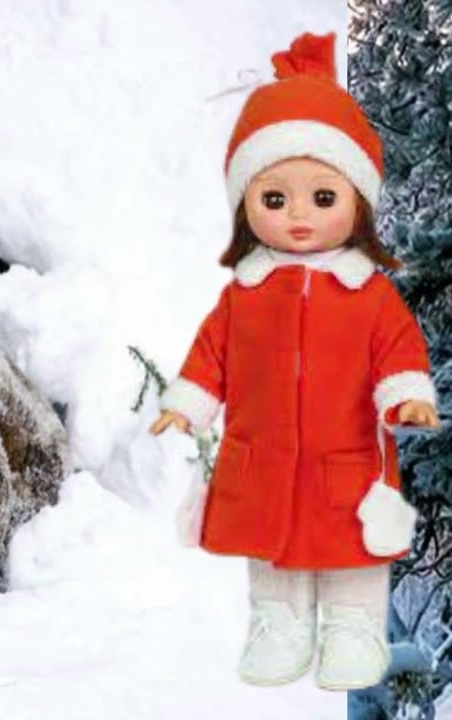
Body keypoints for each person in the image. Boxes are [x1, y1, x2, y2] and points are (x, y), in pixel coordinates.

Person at [149, 31, 440, 690]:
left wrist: (405, 394)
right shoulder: (246, 292)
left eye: (323, 197)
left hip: (348, 456)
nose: (298, 217)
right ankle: (277, 626)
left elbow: (398, 346)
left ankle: (353, 629)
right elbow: (212, 354)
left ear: (357, 203)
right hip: (268, 456)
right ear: (248, 205)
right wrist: (187, 403)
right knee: (274, 552)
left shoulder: (367, 291)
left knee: (351, 548)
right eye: (275, 199)